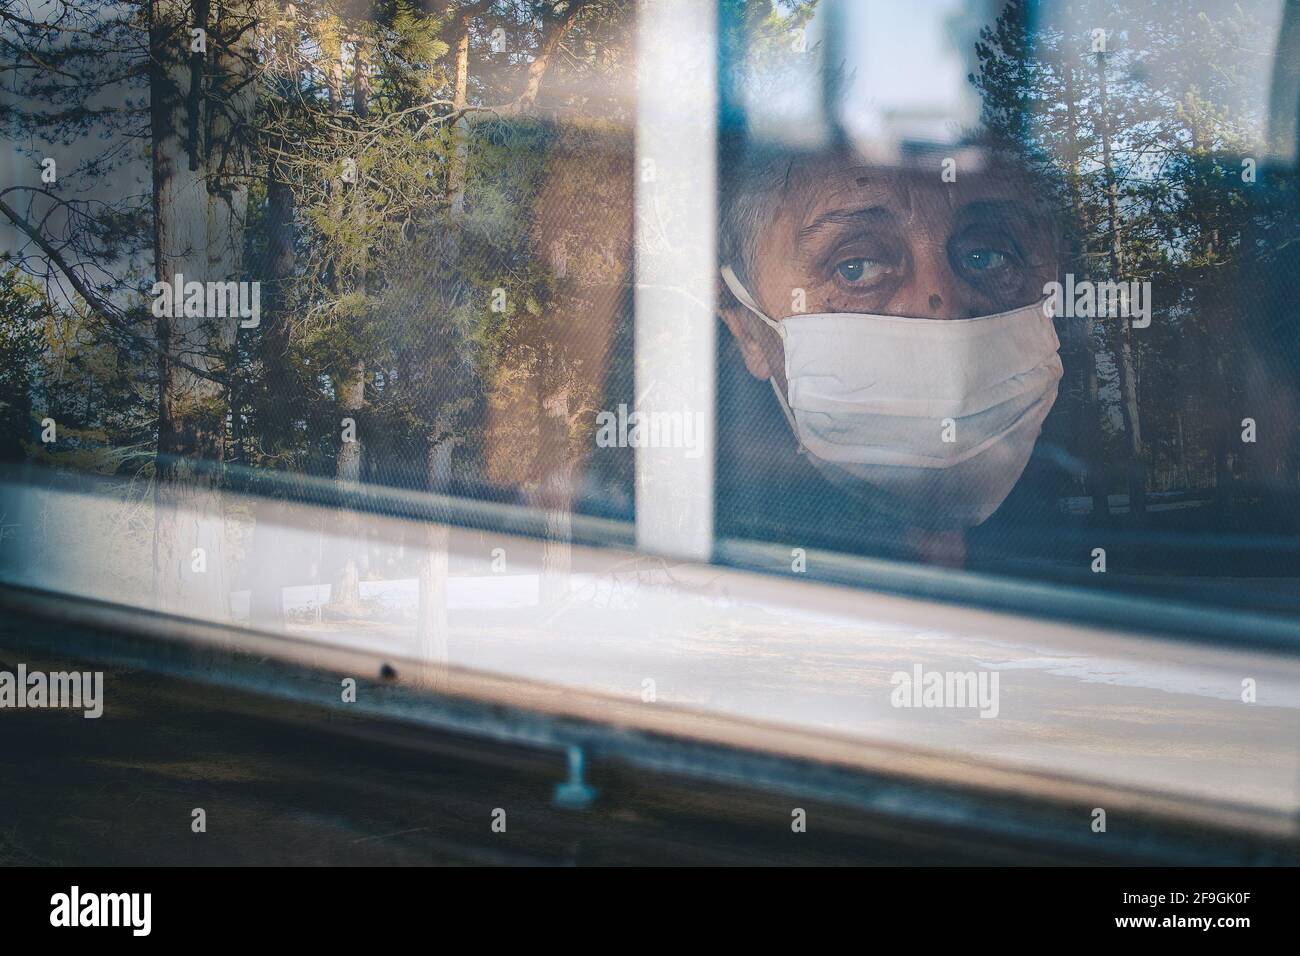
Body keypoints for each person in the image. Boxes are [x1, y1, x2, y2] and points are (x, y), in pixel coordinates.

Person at [716, 144, 1070, 568]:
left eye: (986, 255)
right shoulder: (722, 566)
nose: (941, 308)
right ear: (747, 330)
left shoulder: (1104, 539)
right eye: (855, 267)